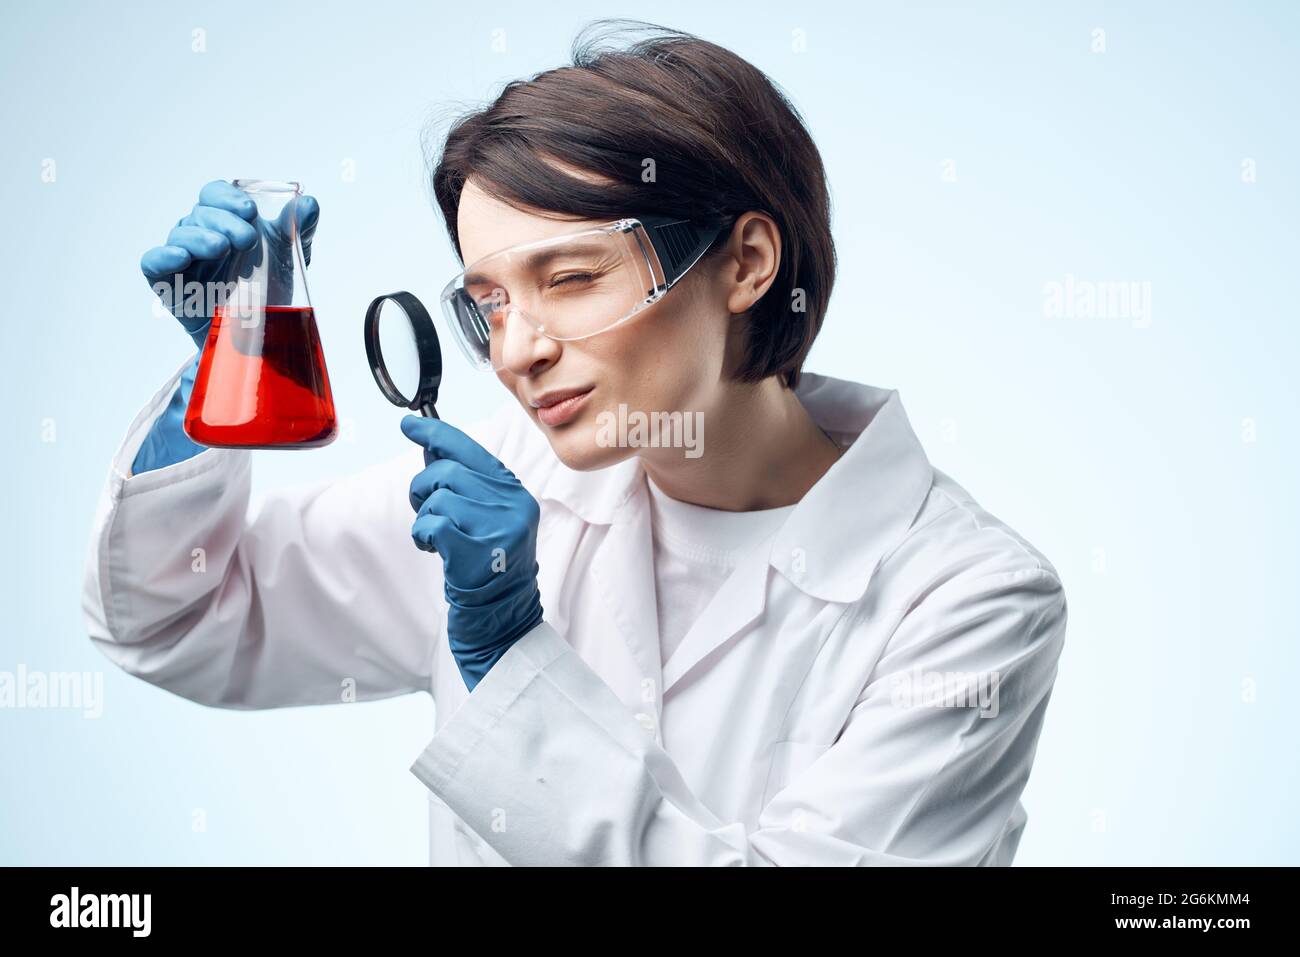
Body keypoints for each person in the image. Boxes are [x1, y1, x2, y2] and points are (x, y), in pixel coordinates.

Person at [83, 20, 1067, 866]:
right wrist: (228, 363)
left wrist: (509, 650)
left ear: (748, 262)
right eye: (489, 304)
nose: (519, 351)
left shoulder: (969, 601)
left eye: (569, 278)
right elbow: (177, 620)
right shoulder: (506, 479)